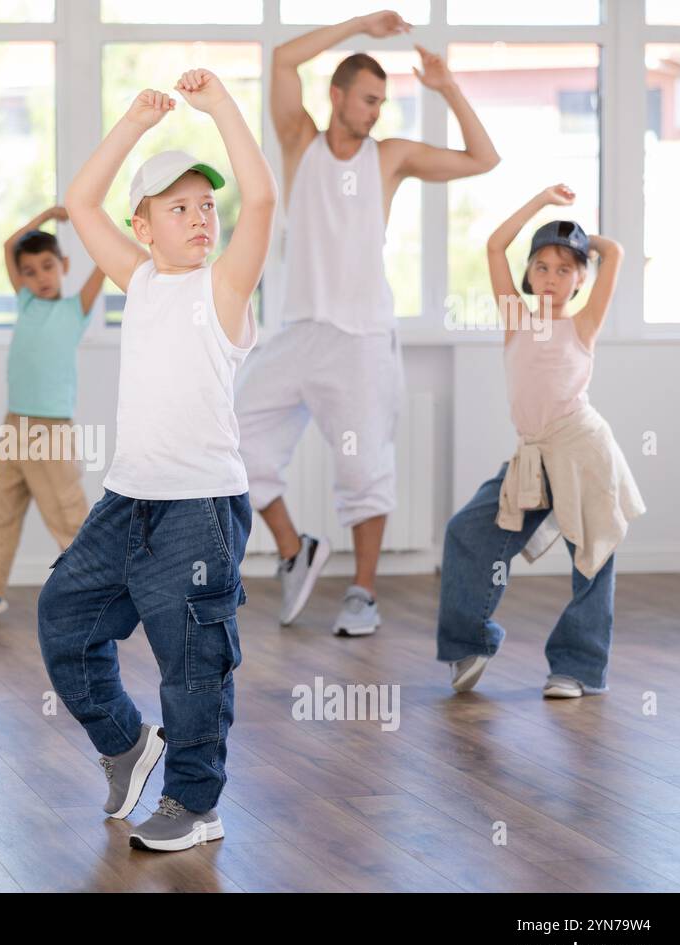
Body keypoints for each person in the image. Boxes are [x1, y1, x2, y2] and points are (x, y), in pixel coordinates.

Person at [40, 69, 274, 852]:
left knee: (192, 666)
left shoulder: (224, 288)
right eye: (179, 207)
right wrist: (135, 124)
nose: (201, 215)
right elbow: (80, 202)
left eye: (206, 204)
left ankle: (194, 804)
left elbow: (261, 201)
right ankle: (126, 744)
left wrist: (222, 108)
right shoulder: (138, 279)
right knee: (64, 617)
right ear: (143, 227)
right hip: (127, 500)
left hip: (199, 508)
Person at [234, 10, 499, 635]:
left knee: (363, 470)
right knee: (233, 439)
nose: (377, 111)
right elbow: (282, 59)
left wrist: (447, 87)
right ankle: (295, 551)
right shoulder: (298, 142)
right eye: (369, 99)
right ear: (338, 96)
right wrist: (358, 25)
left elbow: (483, 159)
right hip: (298, 331)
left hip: (361, 340)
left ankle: (363, 594)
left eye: (382, 102)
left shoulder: (390, 157)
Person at [439, 184, 644, 698]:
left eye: (565, 269)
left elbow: (615, 252)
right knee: (467, 531)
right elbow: (494, 245)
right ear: (528, 274)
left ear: (580, 280)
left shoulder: (584, 324)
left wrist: (579, 238)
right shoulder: (516, 318)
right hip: (532, 456)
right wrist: (542, 205)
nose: (552, 278)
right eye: (542, 267)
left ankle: (577, 668)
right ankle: (470, 644)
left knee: (593, 557)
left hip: (583, 451)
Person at [0, 205, 104, 624]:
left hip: (50, 430)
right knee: (1, 511)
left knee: (68, 514)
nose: (40, 277)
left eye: (48, 267)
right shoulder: (27, 303)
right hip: (14, 424)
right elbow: (8, 245)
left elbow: (106, 259)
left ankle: (98, 593)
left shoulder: (75, 309)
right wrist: (48, 214)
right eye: (29, 272)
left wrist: (86, 216)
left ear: (63, 266)